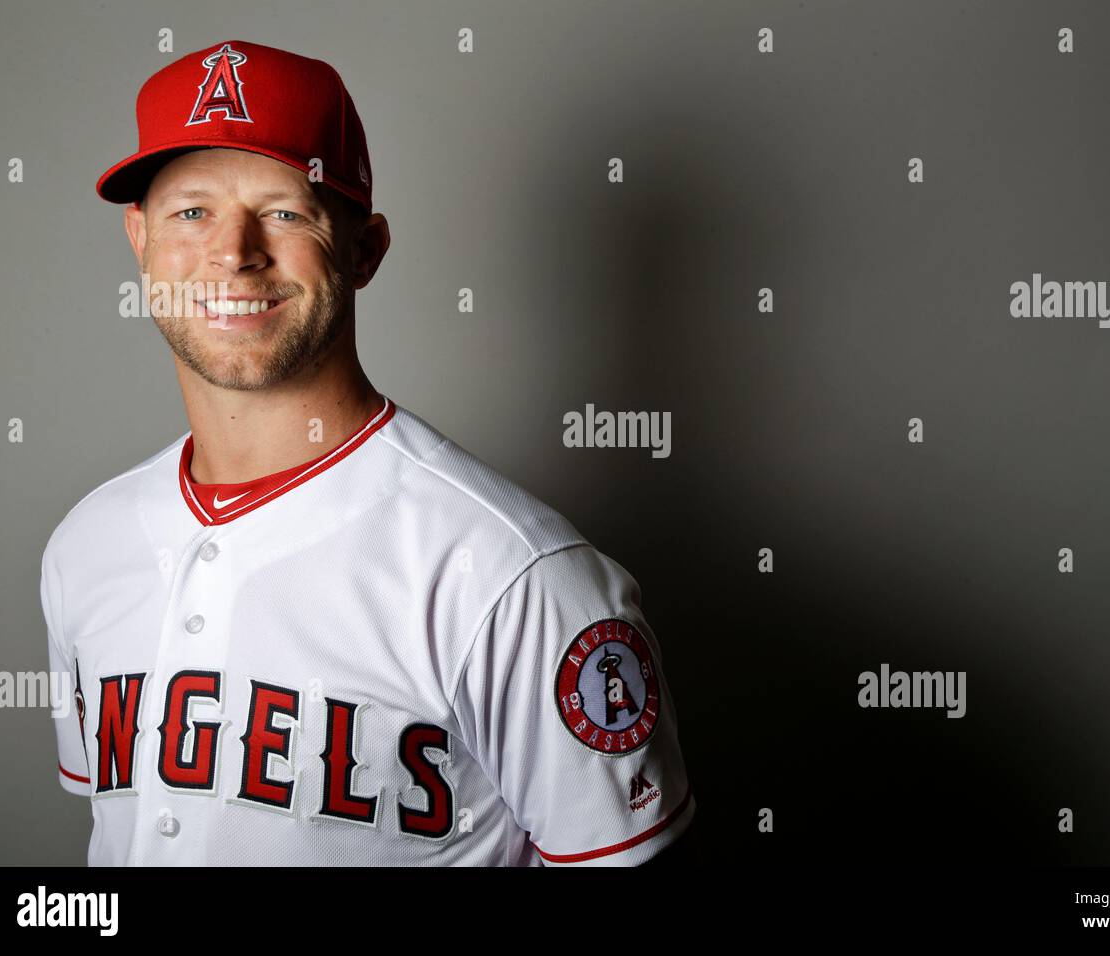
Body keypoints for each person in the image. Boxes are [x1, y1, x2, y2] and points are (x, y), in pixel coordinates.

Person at [41, 39, 695, 866]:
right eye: (191, 211)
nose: (233, 252)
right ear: (139, 239)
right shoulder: (84, 545)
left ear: (364, 249)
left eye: (284, 210)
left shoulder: (514, 577)